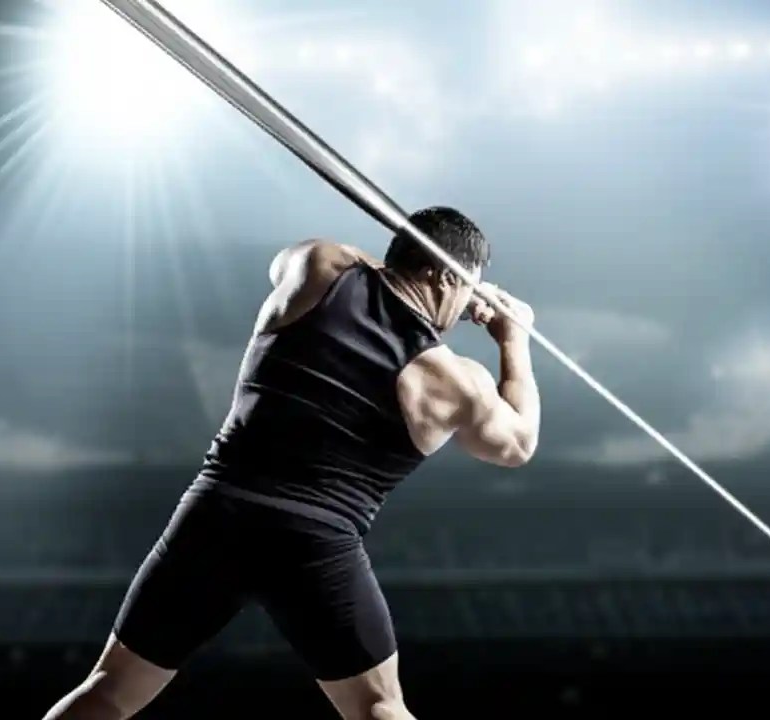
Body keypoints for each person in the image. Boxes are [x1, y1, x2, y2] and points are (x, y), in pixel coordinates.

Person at [42, 207, 540, 720]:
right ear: (443, 273)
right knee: (378, 707)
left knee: (111, 689)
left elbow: (290, 263)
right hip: (314, 542)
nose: (463, 308)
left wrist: (397, 273)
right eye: (466, 288)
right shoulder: (454, 381)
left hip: (220, 512)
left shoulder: (320, 267)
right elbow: (518, 444)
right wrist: (513, 338)